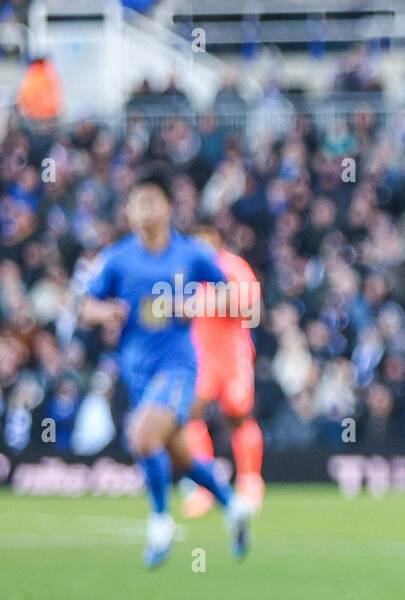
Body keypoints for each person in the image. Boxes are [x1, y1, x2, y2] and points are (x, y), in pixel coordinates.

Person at [81, 165, 254, 568]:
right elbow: (85, 305)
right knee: (179, 456)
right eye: (135, 203)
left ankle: (160, 522)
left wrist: (197, 304)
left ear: (168, 208)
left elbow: (240, 299)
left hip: (178, 369)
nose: (142, 210)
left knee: (141, 436)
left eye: (150, 202)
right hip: (136, 372)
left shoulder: (191, 255)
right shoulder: (117, 259)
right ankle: (233, 506)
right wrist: (105, 311)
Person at [182, 221, 266, 516]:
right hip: (199, 358)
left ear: (216, 239)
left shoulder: (234, 267)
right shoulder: (186, 269)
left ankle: (250, 481)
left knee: (238, 417)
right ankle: (205, 487)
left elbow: (251, 308)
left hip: (233, 357)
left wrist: (208, 302)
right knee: (191, 417)